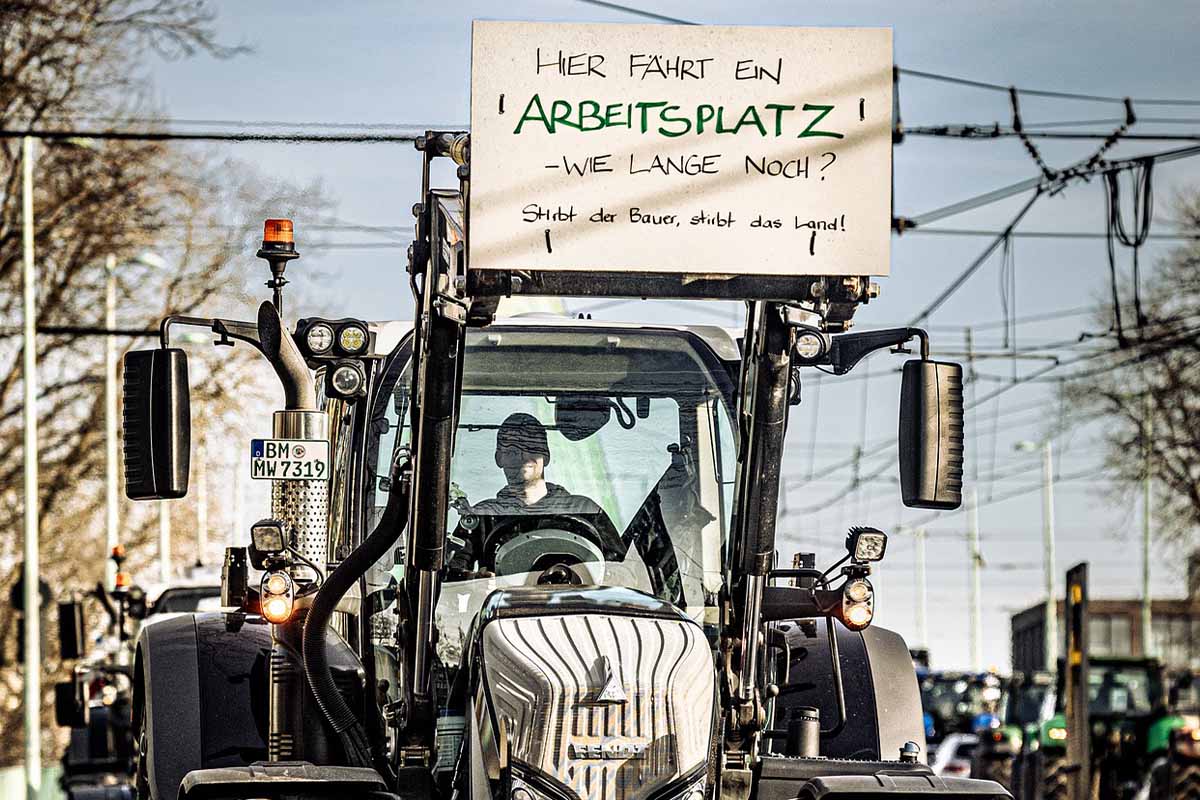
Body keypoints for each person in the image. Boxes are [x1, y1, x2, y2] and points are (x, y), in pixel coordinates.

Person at [446, 413, 609, 578]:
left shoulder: (584, 510)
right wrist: (476, 579)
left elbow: (622, 569)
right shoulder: (482, 516)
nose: (522, 457)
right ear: (498, 458)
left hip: (578, 602)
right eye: (511, 451)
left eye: (531, 448)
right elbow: (450, 573)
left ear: (546, 455)